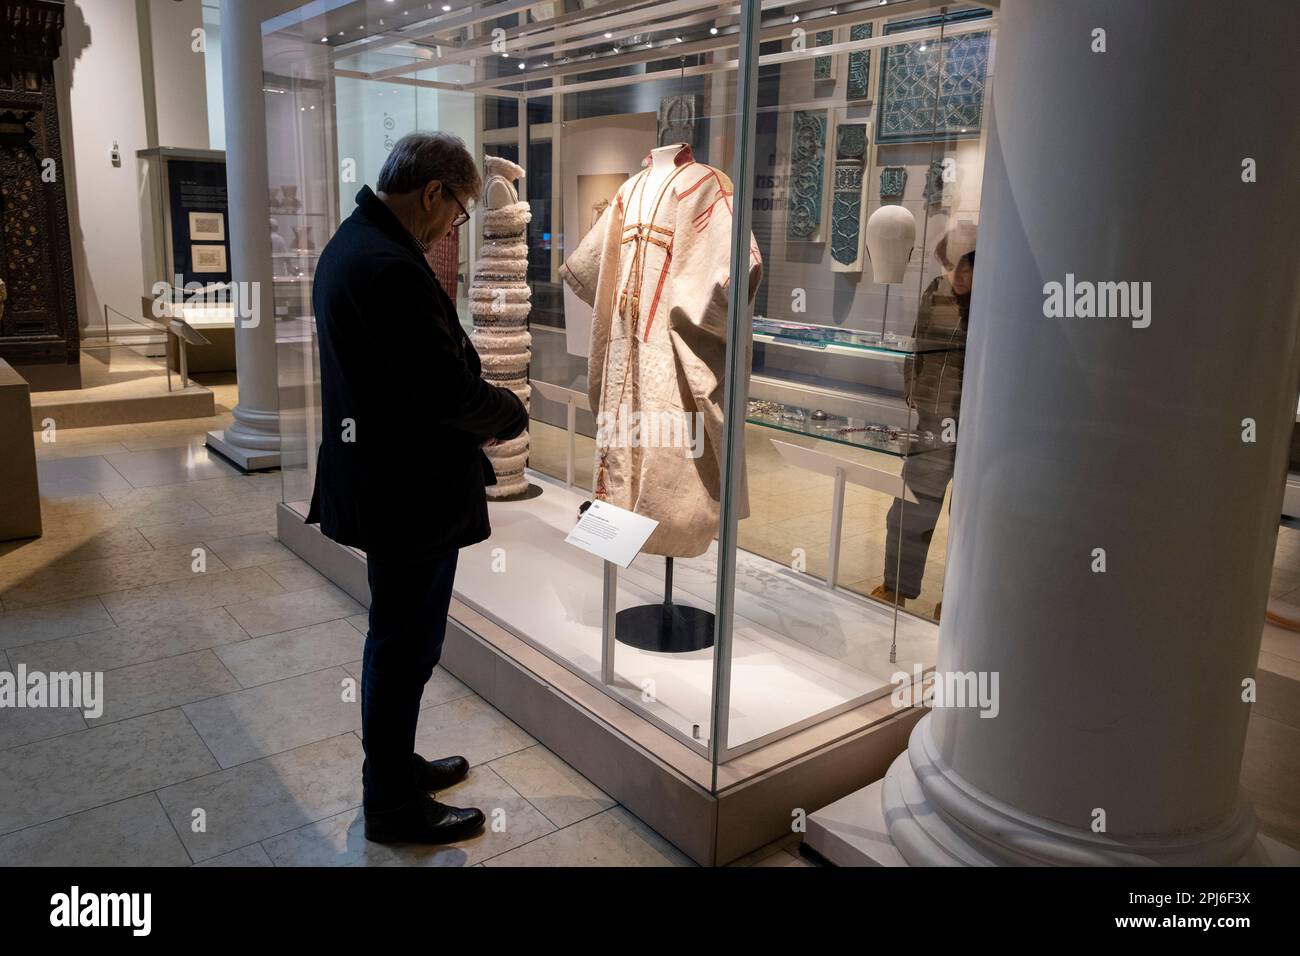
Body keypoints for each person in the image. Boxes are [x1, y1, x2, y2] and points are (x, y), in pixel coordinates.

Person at [307, 132, 528, 844]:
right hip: (408, 490)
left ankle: (395, 769)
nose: (452, 226)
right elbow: (441, 391)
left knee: (400, 642)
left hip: (388, 480)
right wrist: (509, 409)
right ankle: (392, 806)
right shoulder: (386, 264)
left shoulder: (355, 244)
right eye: (458, 211)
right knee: (405, 645)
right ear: (432, 192)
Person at [871, 224, 975, 622]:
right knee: (909, 509)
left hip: (977, 427)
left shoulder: (997, 300)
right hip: (933, 419)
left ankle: (956, 603)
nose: (956, 276)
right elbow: (916, 345)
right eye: (950, 266)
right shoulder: (936, 290)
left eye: (964, 268)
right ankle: (896, 588)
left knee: (967, 520)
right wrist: (912, 390)